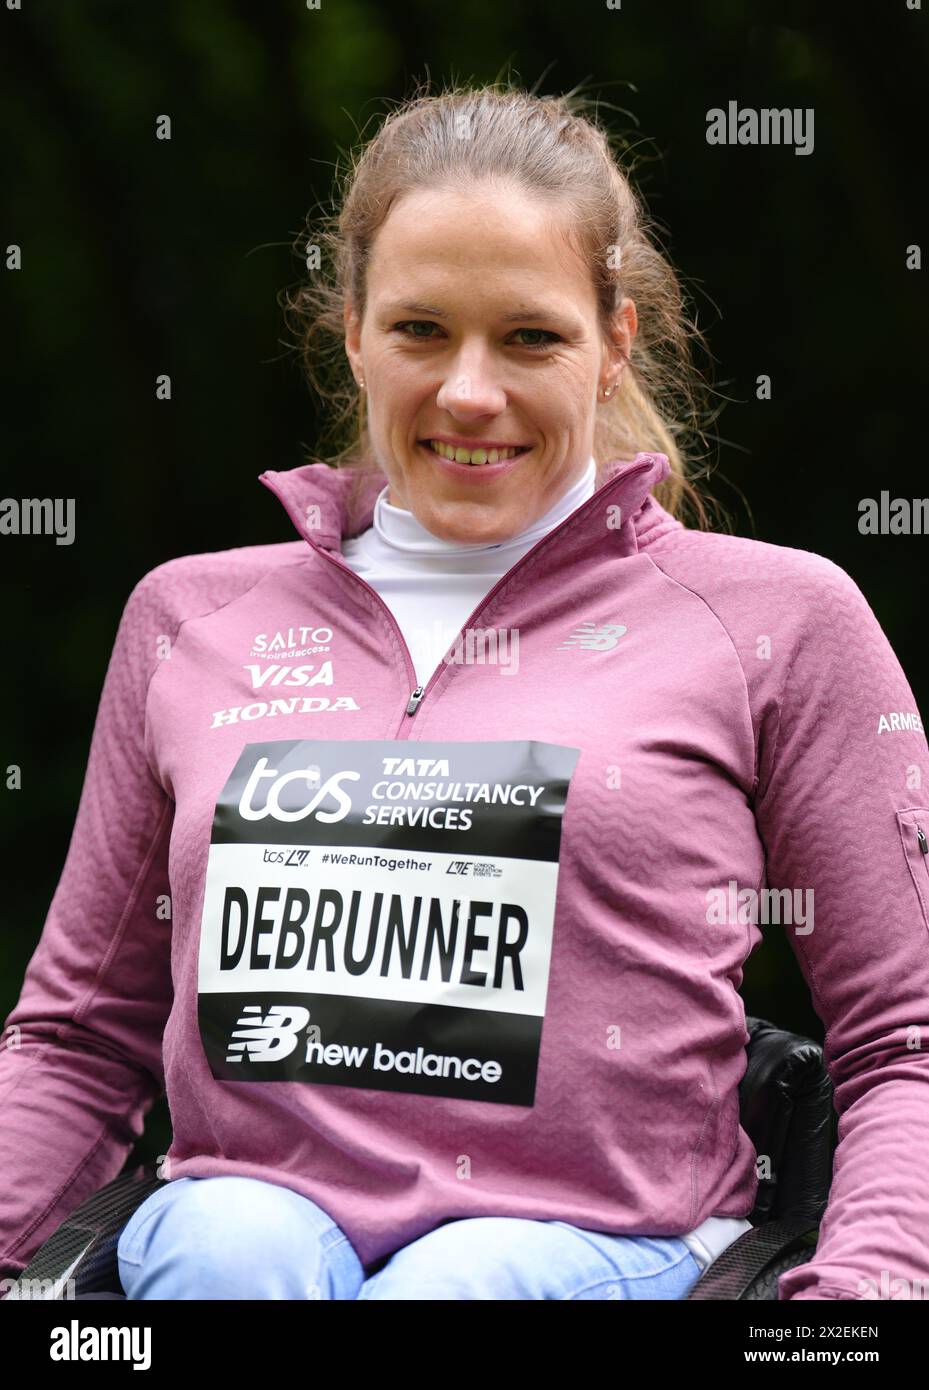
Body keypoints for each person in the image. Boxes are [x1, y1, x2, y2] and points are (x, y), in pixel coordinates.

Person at [2, 82, 928, 1303]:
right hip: (237, 1247)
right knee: (228, 1241)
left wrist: (852, 1309)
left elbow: (903, 1045)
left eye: (529, 336)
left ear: (616, 342)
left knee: (463, 1279)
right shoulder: (189, 620)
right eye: (421, 331)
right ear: (351, 333)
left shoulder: (779, 619)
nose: (469, 393)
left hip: (598, 1251)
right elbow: (78, 1040)